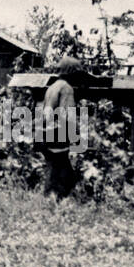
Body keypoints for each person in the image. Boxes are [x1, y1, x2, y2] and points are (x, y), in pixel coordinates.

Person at [41, 57, 81, 199]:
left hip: (47, 132)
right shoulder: (66, 88)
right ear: (71, 72)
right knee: (65, 174)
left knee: (54, 169)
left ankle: (50, 198)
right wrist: (76, 137)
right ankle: (57, 200)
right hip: (59, 134)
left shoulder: (52, 87)